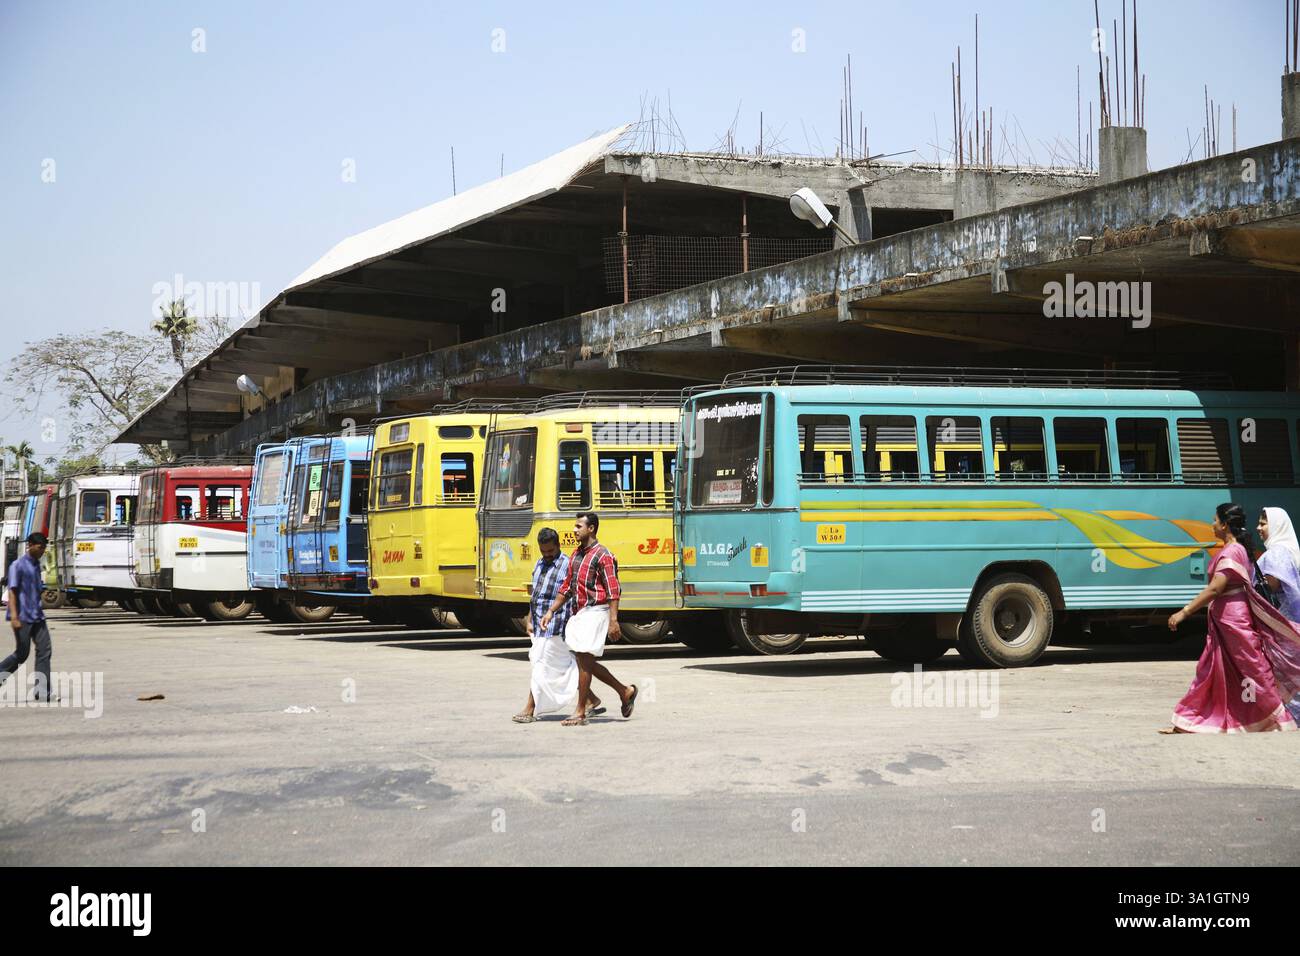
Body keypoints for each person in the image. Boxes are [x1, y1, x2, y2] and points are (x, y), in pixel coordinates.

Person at [1162, 503, 1300, 733]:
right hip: (1225, 619)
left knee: (1252, 668)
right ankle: (1194, 719)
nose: (1212, 524)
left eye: (1215, 520)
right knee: (1214, 669)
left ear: (1225, 524)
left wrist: (1184, 611)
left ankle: (1276, 716)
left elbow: (1216, 588)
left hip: (1234, 620)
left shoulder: (1233, 550)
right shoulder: (1232, 549)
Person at [540, 512, 638, 727]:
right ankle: (625, 691)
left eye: (578, 526)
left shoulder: (603, 555)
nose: (575, 530)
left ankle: (580, 710)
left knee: (584, 659)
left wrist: (614, 621)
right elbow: (567, 587)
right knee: (584, 662)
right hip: (580, 613)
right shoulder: (576, 554)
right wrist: (550, 611)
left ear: (591, 528)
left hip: (597, 611)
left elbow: (613, 591)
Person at [512, 528, 605, 723]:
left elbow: (568, 595)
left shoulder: (566, 564)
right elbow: (536, 595)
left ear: (558, 546)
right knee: (563, 665)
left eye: (550, 552)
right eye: (543, 551)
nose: (547, 555)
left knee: (542, 665)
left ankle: (530, 708)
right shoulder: (539, 563)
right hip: (540, 623)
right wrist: (529, 619)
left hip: (558, 623)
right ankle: (591, 699)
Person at [1, 532, 54, 702]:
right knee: (22, 654)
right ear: (30, 545)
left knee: (45, 650)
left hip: (37, 616)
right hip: (22, 616)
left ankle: (43, 690)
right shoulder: (18, 565)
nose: (42, 551)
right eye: (40, 547)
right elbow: (12, 591)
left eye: (44, 548)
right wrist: (14, 617)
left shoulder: (36, 565)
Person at [1256, 507, 1300, 623]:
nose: (1258, 528)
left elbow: (1270, 586)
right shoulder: (1289, 549)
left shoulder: (1276, 552)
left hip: (1282, 621)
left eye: (1262, 524)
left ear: (1277, 526)